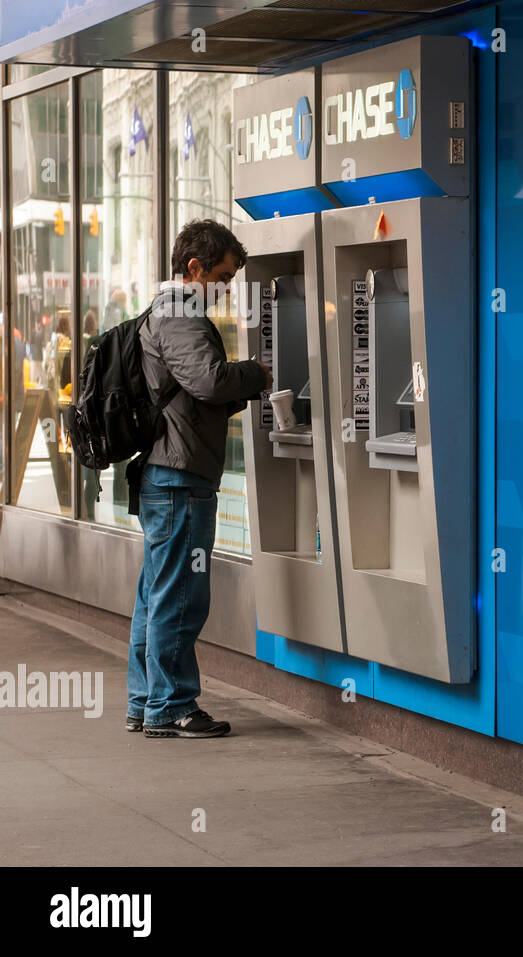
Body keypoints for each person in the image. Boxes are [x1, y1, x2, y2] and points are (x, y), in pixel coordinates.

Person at [127, 220, 272, 738]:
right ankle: (171, 707)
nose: (227, 289)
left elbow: (191, 396)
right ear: (194, 268)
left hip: (169, 474)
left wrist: (236, 392)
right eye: (223, 277)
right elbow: (208, 380)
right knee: (180, 597)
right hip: (178, 479)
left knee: (156, 595)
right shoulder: (180, 314)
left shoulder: (164, 312)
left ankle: (145, 702)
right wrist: (256, 374)